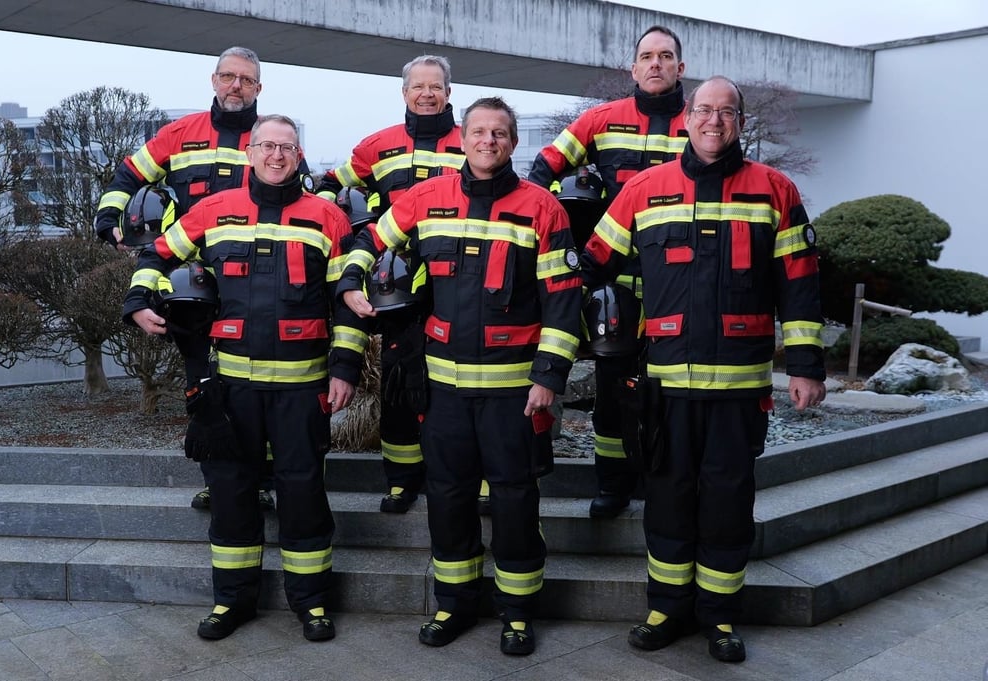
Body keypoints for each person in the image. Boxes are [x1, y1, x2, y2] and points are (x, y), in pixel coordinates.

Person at [580, 76, 826, 663]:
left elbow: (800, 285)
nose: (715, 121)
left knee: (727, 502)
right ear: (687, 117)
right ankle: (666, 609)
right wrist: (600, 325)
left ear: (740, 122)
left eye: (727, 112)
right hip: (664, 387)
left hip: (740, 391)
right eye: (705, 110)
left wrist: (806, 366)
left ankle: (719, 617)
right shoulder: (644, 189)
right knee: (667, 497)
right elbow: (592, 265)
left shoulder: (776, 190)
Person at [338, 97, 582, 656]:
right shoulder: (426, 198)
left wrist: (548, 377)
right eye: (478, 131)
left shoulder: (543, 209)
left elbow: (564, 305)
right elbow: (370, 241)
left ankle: (517, 612)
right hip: (444, 393)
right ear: (463, 138)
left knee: (516, 500)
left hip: (514, 393)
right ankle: (454, 604)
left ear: (513, 142)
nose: (488, 140)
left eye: (499, 132)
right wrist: (350, 283)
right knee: (447, 499)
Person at [123, 114, 367, 642]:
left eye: (286, 147)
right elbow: (155, 255)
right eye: (266, 146)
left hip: (303, 389)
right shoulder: (212, 210)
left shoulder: (328, 218)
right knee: (231, 494)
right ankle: (232, 602)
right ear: (250, 153)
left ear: (299, 156)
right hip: (229, 387)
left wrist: (345, 367)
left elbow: (345, 304)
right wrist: (137, 301)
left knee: (303, 495)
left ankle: (312, 603)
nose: (276, 156)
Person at [96, 45, 306, 511]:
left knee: (258, 385)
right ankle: (222, 477)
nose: (236, 86)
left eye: (246, 80)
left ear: (259, 88)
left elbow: (301, 199)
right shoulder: (179, 134)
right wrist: (109, 218)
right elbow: (126, 176)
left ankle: (265, 480)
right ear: (214, 80)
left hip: (258, 284)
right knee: (204, 383)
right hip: (190, 283)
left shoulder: (273, 139)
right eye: (228, 76)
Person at [527, 26, 689, 518]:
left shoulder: (700, 122)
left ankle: (666, 480)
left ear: (680, 68)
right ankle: (613, 485)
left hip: (680, 282)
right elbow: (542, 170)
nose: (656, 64)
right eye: (647, 56)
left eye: (666, 56)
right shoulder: (599, 120)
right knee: (613, 389)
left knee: (680, 389)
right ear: (633, 68)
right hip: (611, 279)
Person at [316, 55, 465, 514]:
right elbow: (328, 184)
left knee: (453, 382)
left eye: (435, 86)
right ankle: (402, 480)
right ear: (404, 94)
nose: (426, 94)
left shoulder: (470, 141)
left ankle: (455, 472)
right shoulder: (378, 145)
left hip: (453, 279)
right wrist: (336, 229)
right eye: (417, 86)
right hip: (393, 283)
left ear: (448, 93)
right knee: (398, 383)